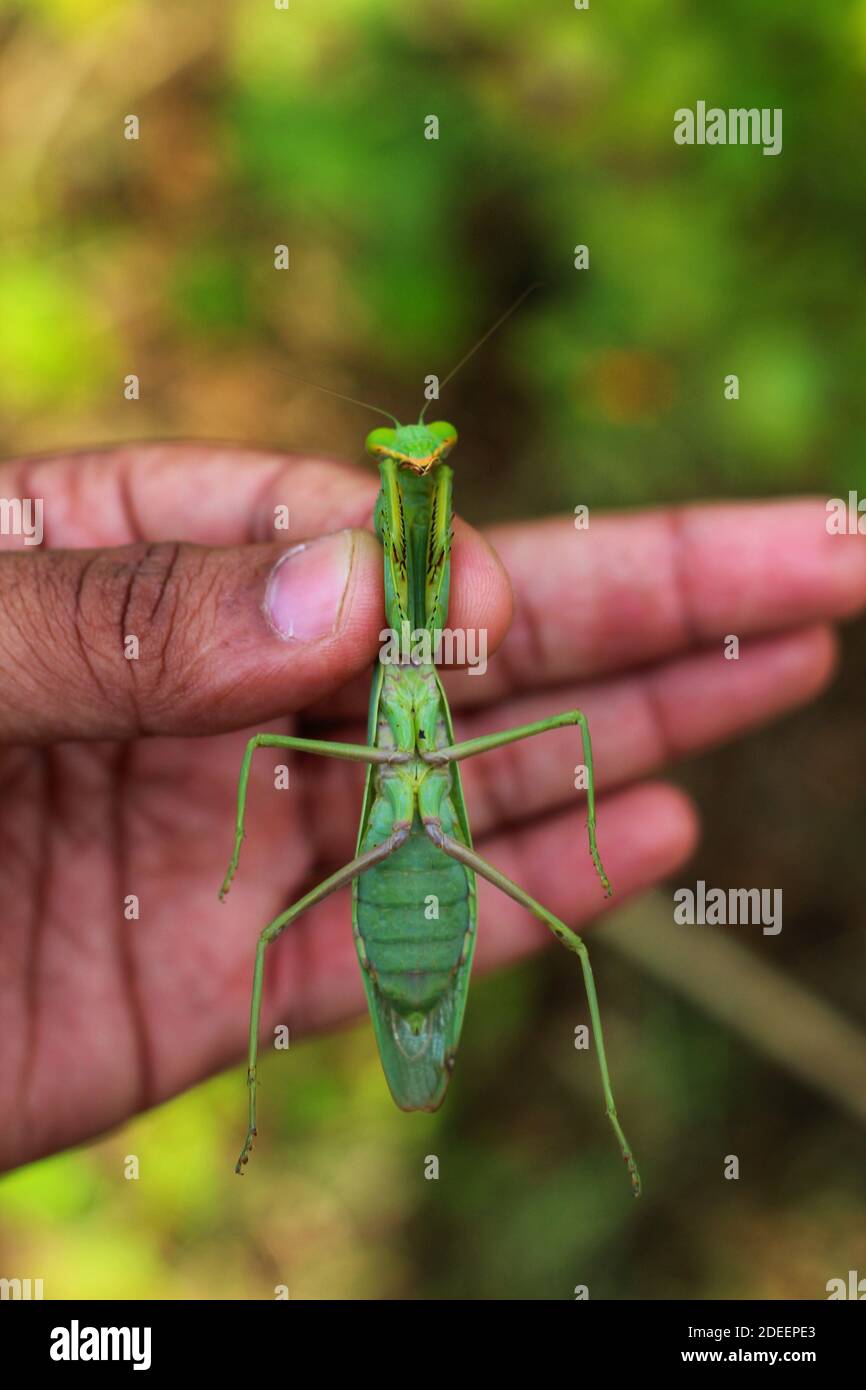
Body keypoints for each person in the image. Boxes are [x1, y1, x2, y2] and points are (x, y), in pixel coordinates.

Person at [0, 442, 862, 1172]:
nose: (415, 464)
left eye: (430, 457)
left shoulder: (429, 586)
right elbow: (268, 741)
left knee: (574, 937)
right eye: (400, 460)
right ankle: (256, 1119)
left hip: (435, 849)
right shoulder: (372, 597)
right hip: (396, 853)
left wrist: (593, 847)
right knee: (270, 914)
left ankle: (610, 1124)